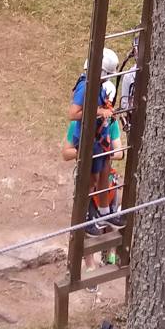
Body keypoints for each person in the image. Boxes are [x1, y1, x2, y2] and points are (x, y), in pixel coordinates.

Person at [66, 49, 124, 237]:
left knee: (103, 174)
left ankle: (105, 212)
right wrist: (99, 112)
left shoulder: (96, 85)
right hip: (89, 138)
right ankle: (84, 218)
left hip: (98, 138)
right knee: (90, 181)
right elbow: (73, 114)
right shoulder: (85, 86)